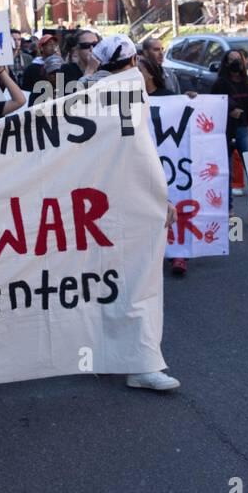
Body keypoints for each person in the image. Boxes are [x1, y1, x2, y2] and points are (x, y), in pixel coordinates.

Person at [79, 34, 182, 392]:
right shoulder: (89, 99)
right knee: (109, 283)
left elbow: (145, 155)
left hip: (130, 204)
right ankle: (107, 354)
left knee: (136, 282)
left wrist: (159, 198)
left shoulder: (116, 96)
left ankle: (139, 360)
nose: (134, 71)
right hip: (98, 207)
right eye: (127, 64)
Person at [212, 49, 248, 229]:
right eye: (232, 60)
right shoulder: (220, 83)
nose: (236, 62)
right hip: (225, 131)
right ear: (226, 63)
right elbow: (213, 107)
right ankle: (228, 212)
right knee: (227, 173)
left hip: (244, 129)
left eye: (238, 59)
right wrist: (228, 111)